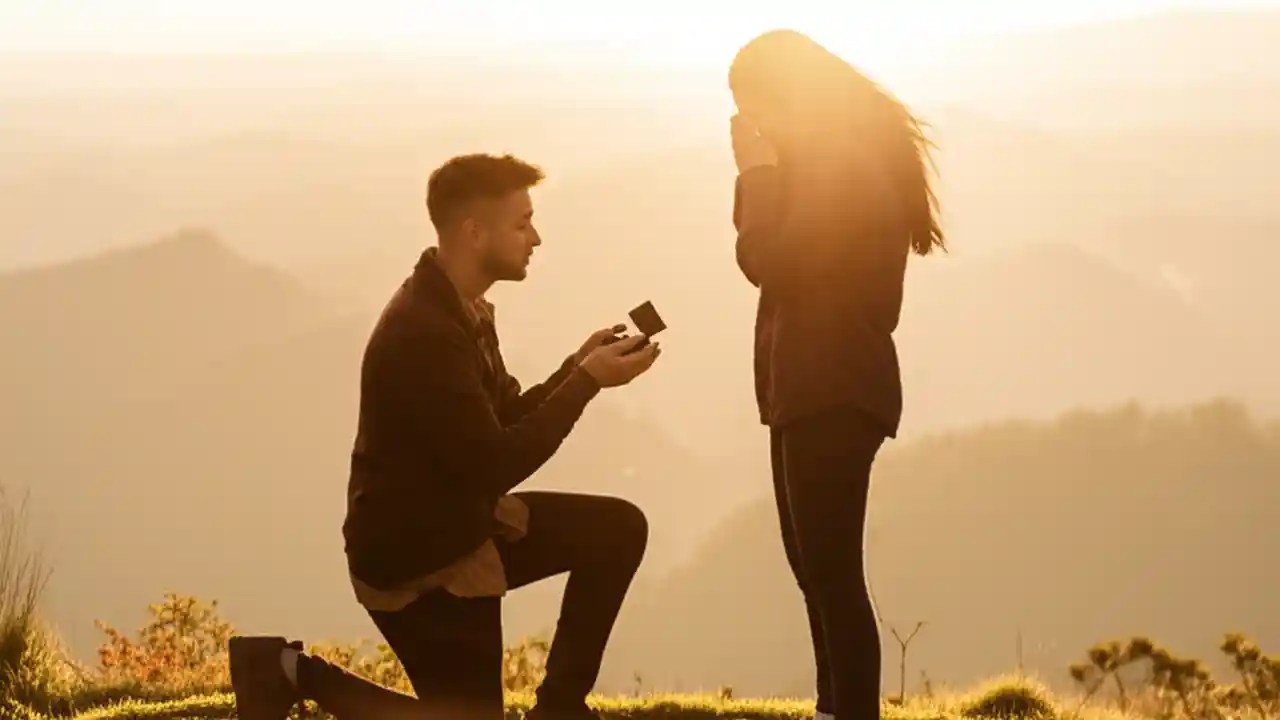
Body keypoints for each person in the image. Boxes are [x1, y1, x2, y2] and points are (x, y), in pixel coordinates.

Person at [227, 153, 661, 720]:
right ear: (474, 232)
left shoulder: (462, 307)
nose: (536, 238)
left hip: (462, 525)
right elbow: (497, 462)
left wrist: (577, 366)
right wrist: (585, 383)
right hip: (419, 563)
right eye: (522, 223)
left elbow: (503, 416)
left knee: (618, 529)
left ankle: (559, 707)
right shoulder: (423, 333)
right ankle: (291, 672)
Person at [727, 30, 946, 720]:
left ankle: (849, 711)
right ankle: (834, 709)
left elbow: (770, 260)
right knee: (814, 570)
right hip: (809, 387)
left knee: (831, 573)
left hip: (833, 387)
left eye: (754, 109)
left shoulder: (842, 169)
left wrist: (756, 172)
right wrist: (763, 174)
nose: (750, 127)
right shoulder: (829, 162)